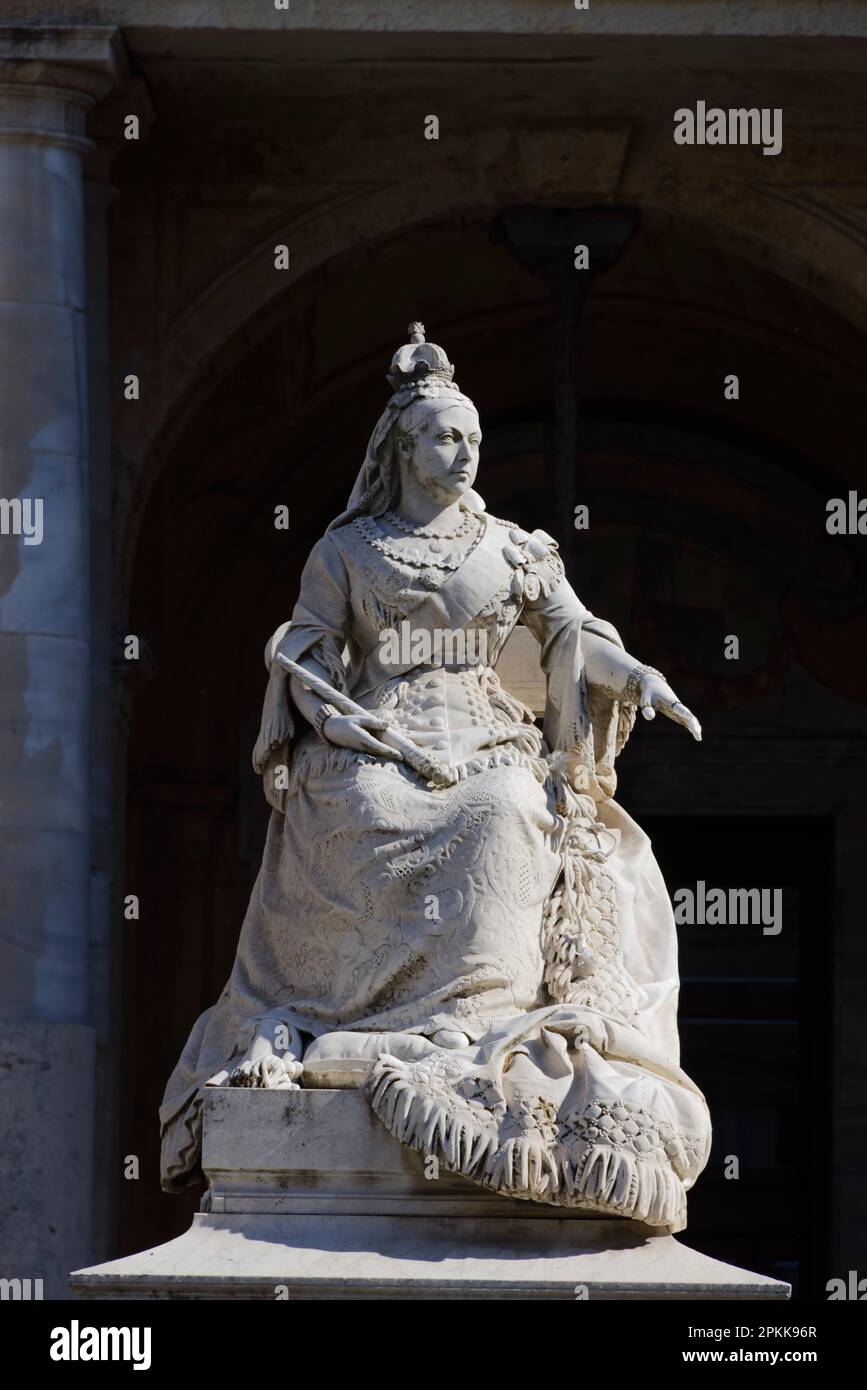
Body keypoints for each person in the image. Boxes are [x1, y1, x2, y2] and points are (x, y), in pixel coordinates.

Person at [160, 324, 712, 1231]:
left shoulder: (514, 548)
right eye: (444, 438)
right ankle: (363, 1017)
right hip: (375, 738)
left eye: (473, 440)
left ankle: (477, 1017)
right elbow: (306, 650)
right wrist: (331, 713)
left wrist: (638, 678)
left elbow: (575, 635)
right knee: (361, 804)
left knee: (499, 813)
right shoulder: (348, 550)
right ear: (404, 448)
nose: (463, 454)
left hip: (488, 739)